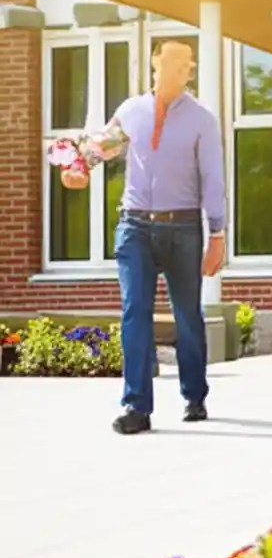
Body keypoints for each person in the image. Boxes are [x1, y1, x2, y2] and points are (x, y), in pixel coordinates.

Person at [59, 39, 225, 435]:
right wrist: (79, 169)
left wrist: (217, 233)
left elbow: (212, 179)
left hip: (183, 227)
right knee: (135, 311)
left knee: (188, 315)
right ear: (155, 63)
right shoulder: (131, 111)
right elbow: (101, 149)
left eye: (187, 64)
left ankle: (194, 394)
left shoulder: (202, 120)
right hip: (134, 224)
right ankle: (136, 405)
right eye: (173, 61)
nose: (181, 69)